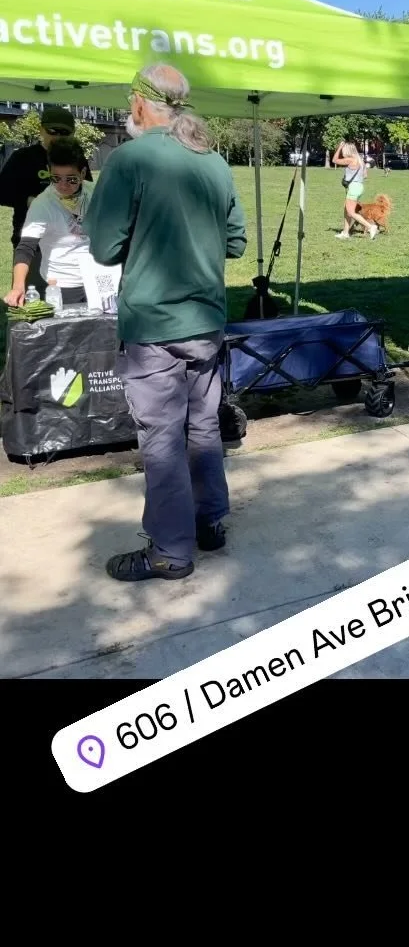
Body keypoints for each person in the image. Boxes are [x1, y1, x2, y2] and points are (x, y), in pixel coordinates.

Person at [86, 64, 247, 584]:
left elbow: (103, 247)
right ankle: (209, 521)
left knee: (161, 438)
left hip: (154, 324)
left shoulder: (129, 159)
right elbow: (235, 242)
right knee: (202, 426)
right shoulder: (214, 162)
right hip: (206, 322)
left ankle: (170, 552)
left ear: (138, 103)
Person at [4, 139, 94, 311]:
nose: (63, 186)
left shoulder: (94, 192)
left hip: (96, 277)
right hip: (62, 283)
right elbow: (26, 247)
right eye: (56, 178)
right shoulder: (43, 204)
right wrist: (18, 286)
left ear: (83, 173)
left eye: (71, 179)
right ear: (48, 171)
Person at [0, 104, 92, 272]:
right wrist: (30, 201)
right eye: (53, 131)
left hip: (70, 246)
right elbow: (2, 192)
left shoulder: (77, 158)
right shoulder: (23, 157)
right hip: (32, 246)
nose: (58, 137)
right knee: (33, 288)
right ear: (41, 130)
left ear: (72, 133)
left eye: (64, 132)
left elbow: (86, 190)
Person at [332, 139, 378, 239]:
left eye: (344, 150)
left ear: (347, 150)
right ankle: (345, 233)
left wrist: (339, 147)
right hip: (359, 186)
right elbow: (365, 175)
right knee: (346, 209)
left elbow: (334, 160)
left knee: (351, 212)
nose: (343, 152)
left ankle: (371, 227)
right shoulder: (360, 160)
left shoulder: (351, 159)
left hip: (353, 187)